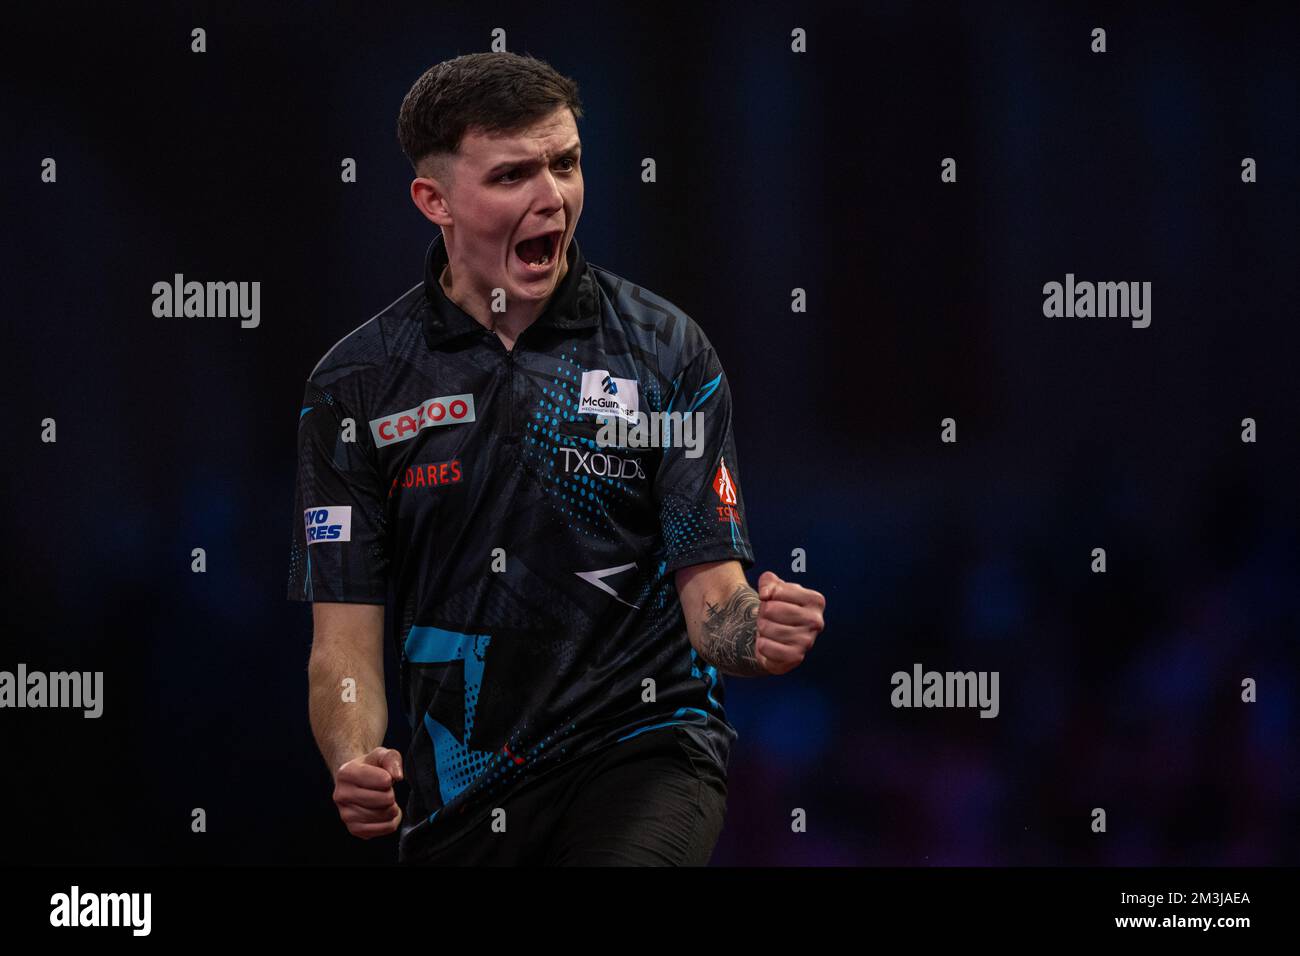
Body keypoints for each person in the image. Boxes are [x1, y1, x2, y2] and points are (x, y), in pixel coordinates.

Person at [287, 51, 826, 865]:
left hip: (644, 750)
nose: (553, 198)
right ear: (433, 200)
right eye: (512, 176)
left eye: (566, 164)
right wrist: (355, 759)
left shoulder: (665, 350)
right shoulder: (354, 387)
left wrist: (759, 633)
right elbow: (344, 644)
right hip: (462, 794)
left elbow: (715, 601)